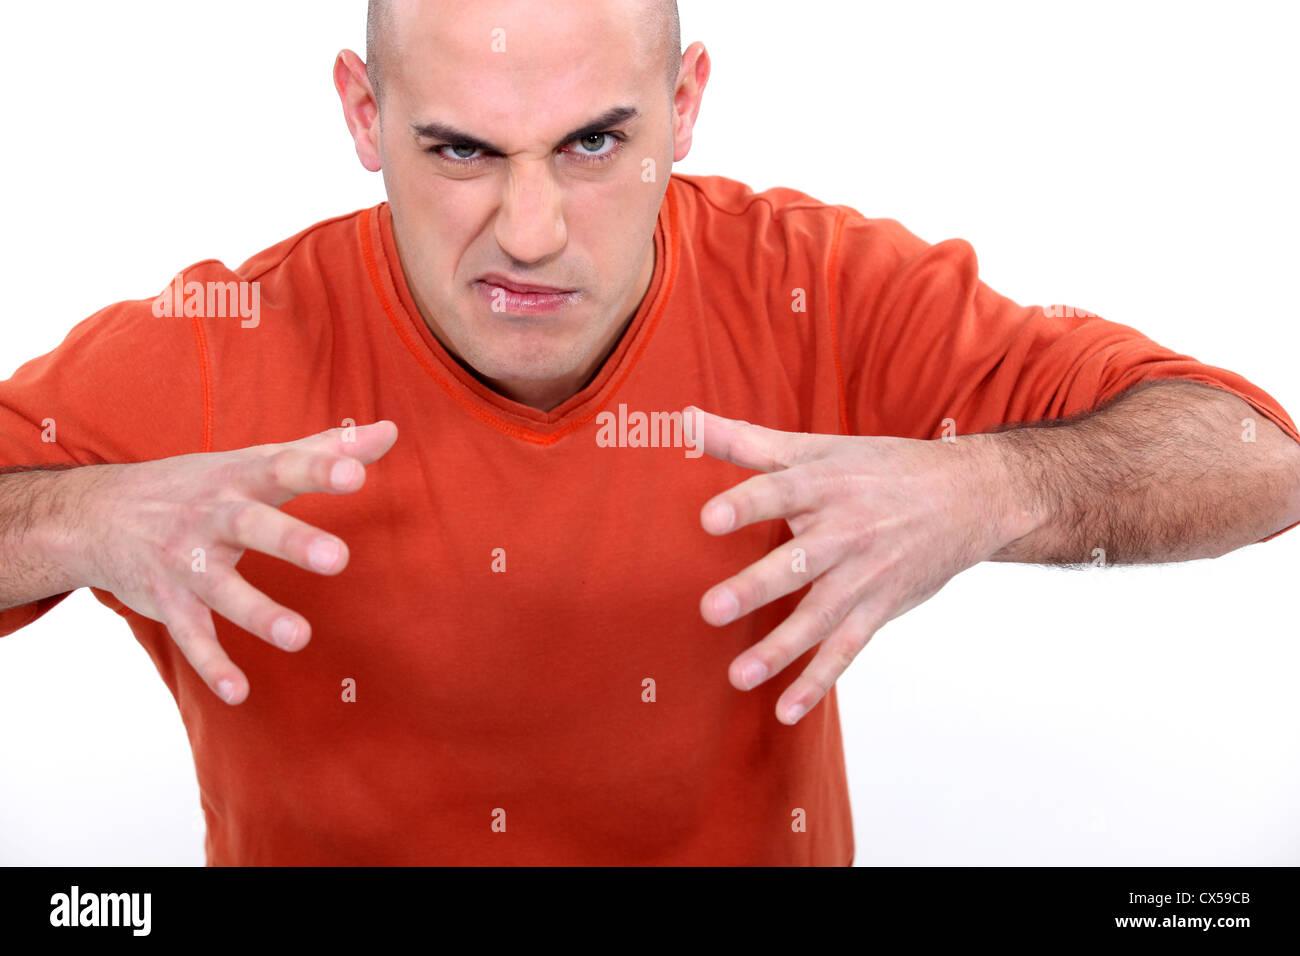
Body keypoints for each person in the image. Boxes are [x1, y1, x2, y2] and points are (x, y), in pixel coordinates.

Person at [1, 0, 1297, 866]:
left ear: (684, 107)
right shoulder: (222, 339)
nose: (528, 232)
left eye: (593, 144)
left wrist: (993, 483)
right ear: (361, 115)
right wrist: (80, 519)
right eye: (459, 151)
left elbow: (1257, 449)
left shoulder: (811, 284)